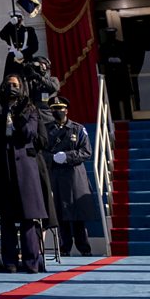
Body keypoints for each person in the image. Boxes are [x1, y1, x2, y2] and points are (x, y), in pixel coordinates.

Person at [0, 73, 55, 273]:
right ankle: (10, 261)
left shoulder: (30, 108)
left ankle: (31, 261)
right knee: (6, 218)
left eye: (14, 85)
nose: (11, 87)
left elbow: (29, 133)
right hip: (3, 167)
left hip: (25, 169)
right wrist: (3, 109)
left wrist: (18, 113)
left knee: (28, 218)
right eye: (8, 84)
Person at [45, 97, 98, 256]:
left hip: (75, 176)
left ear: (66, 110)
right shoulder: (46, 129)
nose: (57, 112)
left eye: (60, 108)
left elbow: (86, 152)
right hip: (56, 175)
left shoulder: (77, 129)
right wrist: (52, 158)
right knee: (61, 214)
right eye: (54, 109)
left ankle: (84, 248)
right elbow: (40, 151)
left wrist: (67, 156)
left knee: (78, 213)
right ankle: (64, 247)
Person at [0, 10, 38, 75]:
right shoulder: (9, 31)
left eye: (18, 17)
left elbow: (35, 47)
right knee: (8, 80)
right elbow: (2, 35)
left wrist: (23, 53)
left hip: (26, 58)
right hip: (12, 58)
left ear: (22, 18)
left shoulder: (29, 30)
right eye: (13, 18)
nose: (16, 20)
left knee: (30, 79)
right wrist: (10, 24)